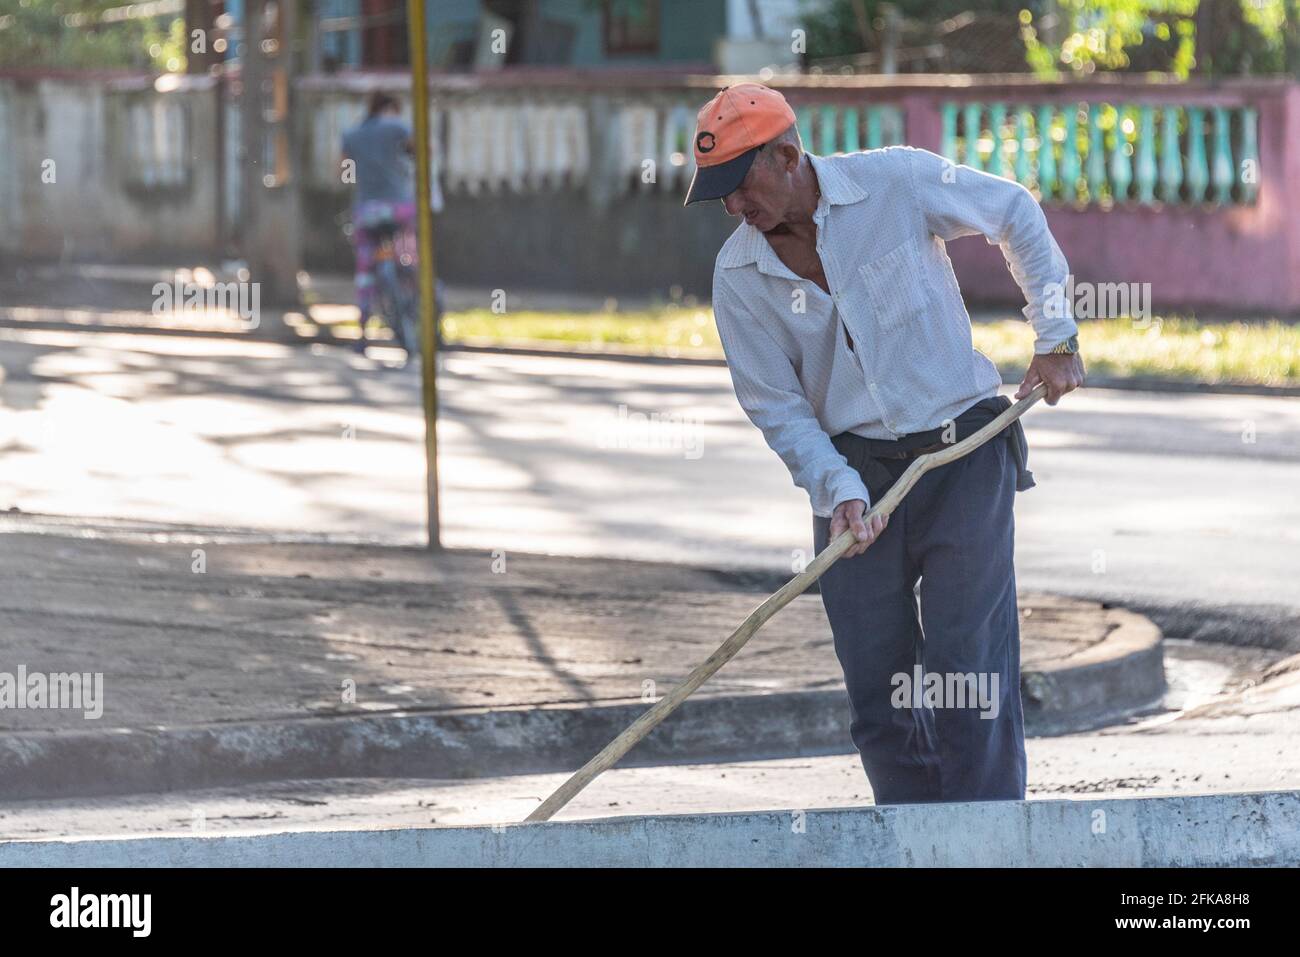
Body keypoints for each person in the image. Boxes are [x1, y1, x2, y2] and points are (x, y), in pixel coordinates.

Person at [684, 83, 1085, 805]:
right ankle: (913, 839)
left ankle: (986, 843)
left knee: (968, 672)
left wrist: (1056, 335)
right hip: (855, 475)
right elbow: (776, 406)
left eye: (740, 185)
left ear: (787, 154)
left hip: (963, 452)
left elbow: (1013, 211)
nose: (734, 208)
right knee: (878, 690)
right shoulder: (738, 276)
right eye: (719, 194)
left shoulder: (893, 182)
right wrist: (835, 486)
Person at [341, 91, 418, 353]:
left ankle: (362, 332)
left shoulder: (351, 135)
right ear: (388, 108)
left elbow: (341, 169)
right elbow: (420, 148)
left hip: (367, 211)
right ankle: (415, 291)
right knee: (408, 251)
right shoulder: (396, 126)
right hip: (399, 208)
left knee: (365, 268)